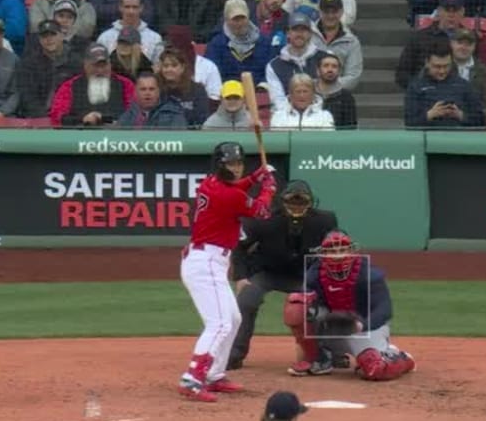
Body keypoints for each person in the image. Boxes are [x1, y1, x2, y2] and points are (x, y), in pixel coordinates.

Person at [178, 141, 277, 401]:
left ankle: (214, 375)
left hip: (209, 260)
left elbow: (235, 188)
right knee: (220, 323)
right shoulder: (228, 195)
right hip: (205, 263)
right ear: (220, 165)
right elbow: (262, 210)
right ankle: (192, 379)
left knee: (233, 319)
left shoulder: (211, 183)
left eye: (239, 163)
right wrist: (268, 188)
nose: (236, 168)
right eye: (231, 163)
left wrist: (254, 178)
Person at [228, 179, 339, 370]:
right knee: (246, 300)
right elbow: (239, 247)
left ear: (311, 202)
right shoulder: (263, 219)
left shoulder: (325, 220)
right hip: (268, 272)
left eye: (301, 201)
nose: (296, 206)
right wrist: (240, 277)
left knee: (329, 300)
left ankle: (328, 353)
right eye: (292, 201)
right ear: (282, 201)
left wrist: (330, 279)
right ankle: (235, 353)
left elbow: (335, 248)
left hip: (305, 274)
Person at [286, 230, 417, 381]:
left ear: (351, 251)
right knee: (296, 307)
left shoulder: (368, 272)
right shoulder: (315, 273)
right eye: (332, 251)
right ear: (323, 254)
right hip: (334, 326)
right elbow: (304, 302)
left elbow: (384, 309)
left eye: (342, 250)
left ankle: (401, 358)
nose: (338, 255)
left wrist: (362, 325)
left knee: (376, 369)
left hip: (366, 328)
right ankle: (320, 358)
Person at [405, 40, 486, 127]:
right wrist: (430, 115)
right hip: (428, 133)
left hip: (458, 133)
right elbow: (409, 122)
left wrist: (460, 115)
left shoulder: (463, 85)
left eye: (446, 66)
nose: (442, 71)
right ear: (427, 63)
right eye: (437, 66)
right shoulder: (416, 87)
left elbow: (481, 120)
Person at [51, 42, 135, 124]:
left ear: (110, 65)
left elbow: (136, 114)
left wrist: (105, 119)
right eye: (95, 66)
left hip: (117, 131)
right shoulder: (69, 86)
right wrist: (82, 119)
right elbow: (57, 117)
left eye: (104, 65)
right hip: (81, 131)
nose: (100, 71)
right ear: (85, 65)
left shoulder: (126, 84)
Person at [18, 20, 84, 118]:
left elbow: (80, 94)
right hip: (37, 117)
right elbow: (27, 95)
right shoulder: (29, 63)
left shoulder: (75, 62)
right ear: (39, 40)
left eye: (53, 35)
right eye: (44, 36)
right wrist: (42, 117)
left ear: (62, 36)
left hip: (67, 118)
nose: (49, 39)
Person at [207, 0, 271, 83]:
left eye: (242, 18)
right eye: (235, 19)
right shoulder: (217, 44)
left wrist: (262, 87)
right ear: (226, 20)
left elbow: (269, 73)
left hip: (257, 89)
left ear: (248, 17)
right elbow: (211, 74)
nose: (240, 23)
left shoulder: (263, 42)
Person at [312, 0, 363, 91]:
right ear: (320, 12)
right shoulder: (308, 35)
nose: (330, 16)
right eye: (326, 12)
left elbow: (353, 76)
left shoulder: (351, 41)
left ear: (341, 12)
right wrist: (315, 87)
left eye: (334, 12)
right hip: (309, 94)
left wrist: (327, 85)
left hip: (339, 95)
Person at [157, 46, 210, 126]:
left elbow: (202, 119)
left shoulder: (197, 90)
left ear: (182, 67)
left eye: (174, 66)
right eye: (166, 66)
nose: (169, 69)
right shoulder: (156, 88)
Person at [314, 53, 357, 128]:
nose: (330, 70)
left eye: (334, 66)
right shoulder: (309, 92)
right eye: (326, 66)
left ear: (339, 72)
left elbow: (350, 128)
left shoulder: (346, 97)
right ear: (318, 70)